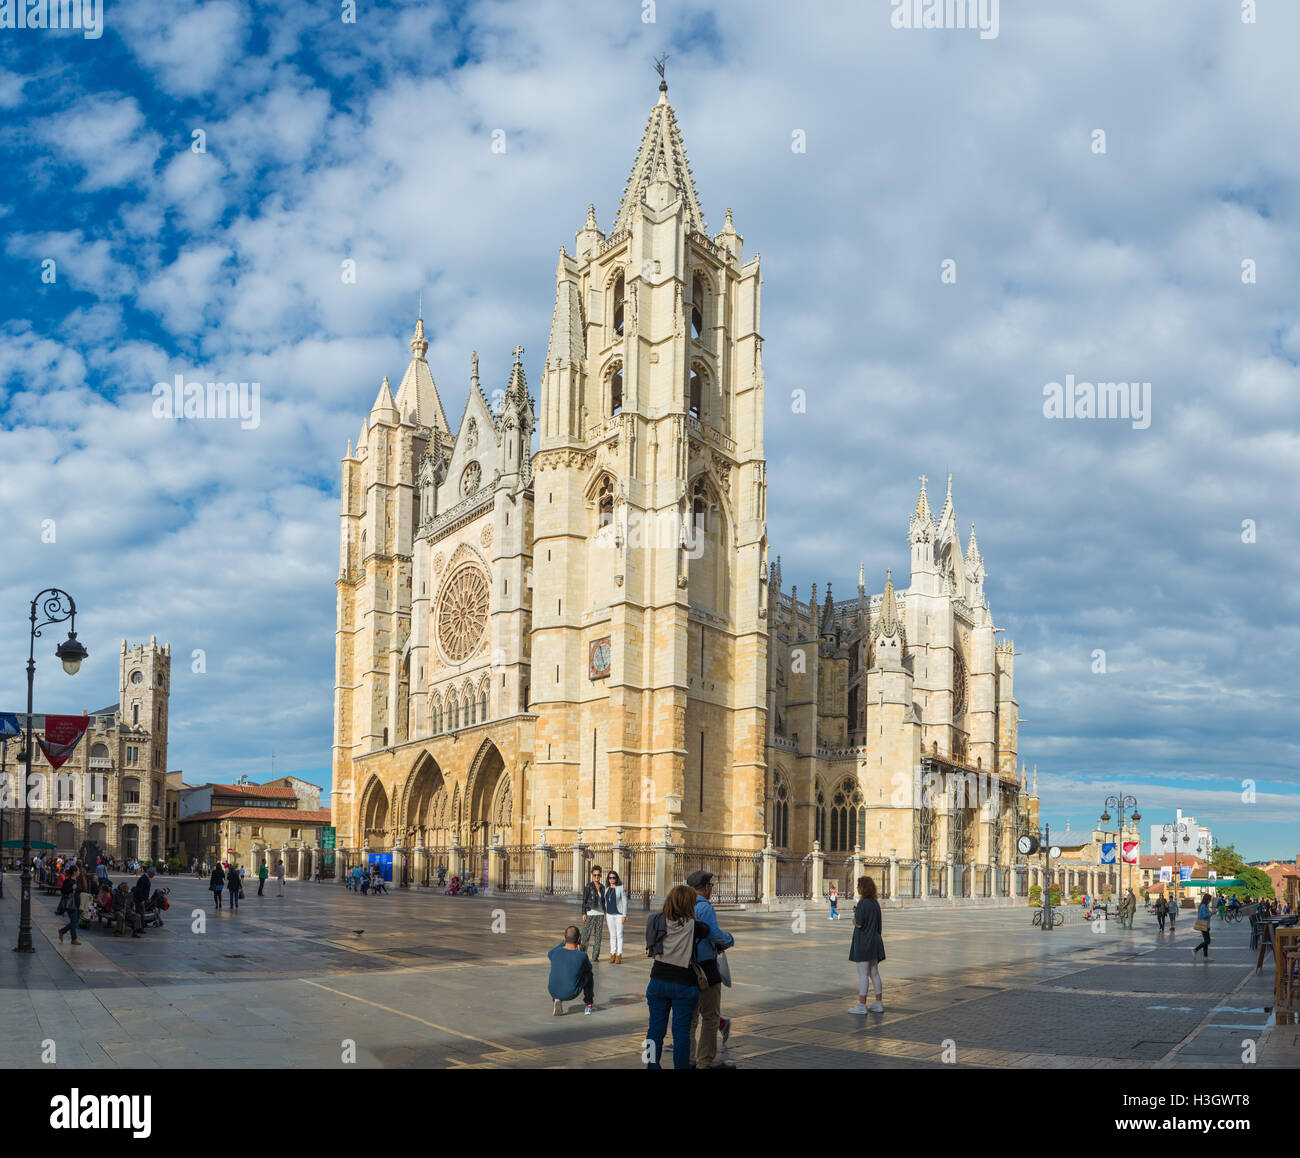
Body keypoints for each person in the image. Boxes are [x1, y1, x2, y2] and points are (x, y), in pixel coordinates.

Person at [643, 884, 713, 1070]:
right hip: (684, 983)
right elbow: (706, 931)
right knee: (681, 1033)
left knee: (654, 1029)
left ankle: (651, 1065)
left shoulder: (656, 920)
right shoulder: (694, 926)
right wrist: (693, 916)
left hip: (657, 980)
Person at [687, 869, 736, 1070]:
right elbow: (713, 934)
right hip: (705, 967)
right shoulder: (704, 907)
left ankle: (688, 1059)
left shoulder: (683, 904)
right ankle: (704, 1062)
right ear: (706, 888)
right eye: (711, 886)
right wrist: (729, 939)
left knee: (690, 1019)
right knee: (710, 1017)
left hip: (685, 967)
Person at [848, 874, 886, 1014]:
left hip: (864, 942)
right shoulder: (875, 903)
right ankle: (878, 1002)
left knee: (863, 974)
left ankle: (861, 1005)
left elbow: (859, 924)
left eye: (858, 885)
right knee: (874, 973)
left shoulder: (863, 903)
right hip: (875, 941)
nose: (857, 888)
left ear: (863, 888)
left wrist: (854, 918)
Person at [548, 925, 595, 1015]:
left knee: (559, 970)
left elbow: (550, 953)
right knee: (588, 974)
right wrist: (582, 952)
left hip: (553, 991)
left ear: (564, 938)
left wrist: (563, 943)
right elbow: (588, 968)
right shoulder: (581, 956)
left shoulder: (554, 952)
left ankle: (557, 999)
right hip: (571, 993)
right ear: (579, 940)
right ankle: (588, 1004)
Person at [579, 865, 606, 963]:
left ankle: (595, 956)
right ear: (592, 875)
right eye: (595, 875)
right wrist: (583, 913)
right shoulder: (589, 886)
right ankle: (583, 955)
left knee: (598, 935)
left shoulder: (602, 887)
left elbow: (603, 901)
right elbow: (584, 900)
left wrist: (605, 911)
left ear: (600, 875)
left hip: (600, 914)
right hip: (590, 912)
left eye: (598, 875)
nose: (596, 877)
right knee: (586, 935)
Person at [57, 866, 87, 945]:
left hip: (77, 904)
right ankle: (73, 939)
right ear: (74, 872)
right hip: (70, 904)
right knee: (74, 922)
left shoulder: (77, 881)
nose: (79, 872)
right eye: (78, 871)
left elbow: (83, 889)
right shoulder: (68, 881)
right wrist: (71, 888)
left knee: (75, 922)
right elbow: (63, 891)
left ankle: (62, 931)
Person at [604, 870, 627, 963]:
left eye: (613, 877)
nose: (612, 879)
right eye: (610, 878)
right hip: (609, 914)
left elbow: (624, 902)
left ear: (616, 878)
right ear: (608, 879)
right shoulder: (606, 889)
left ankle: (619, 954)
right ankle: (612, 953)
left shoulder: (620, 888)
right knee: (612, 935)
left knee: (619, 935)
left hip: (619, 914)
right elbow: (606, 901)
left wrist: (624, 915)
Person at [1193, 893, 1213, 960]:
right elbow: (1205, 915)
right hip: (1204, 925)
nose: (1210, 901)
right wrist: (1211, 913)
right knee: (1207, 941)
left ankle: (1205, 957)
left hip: (1206, 925)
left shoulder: (1203, 906)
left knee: (1206, 941)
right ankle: (1196, 949)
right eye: (1210, 900)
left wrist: (1211, 913)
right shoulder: (1203, 906)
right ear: (1207, 900)